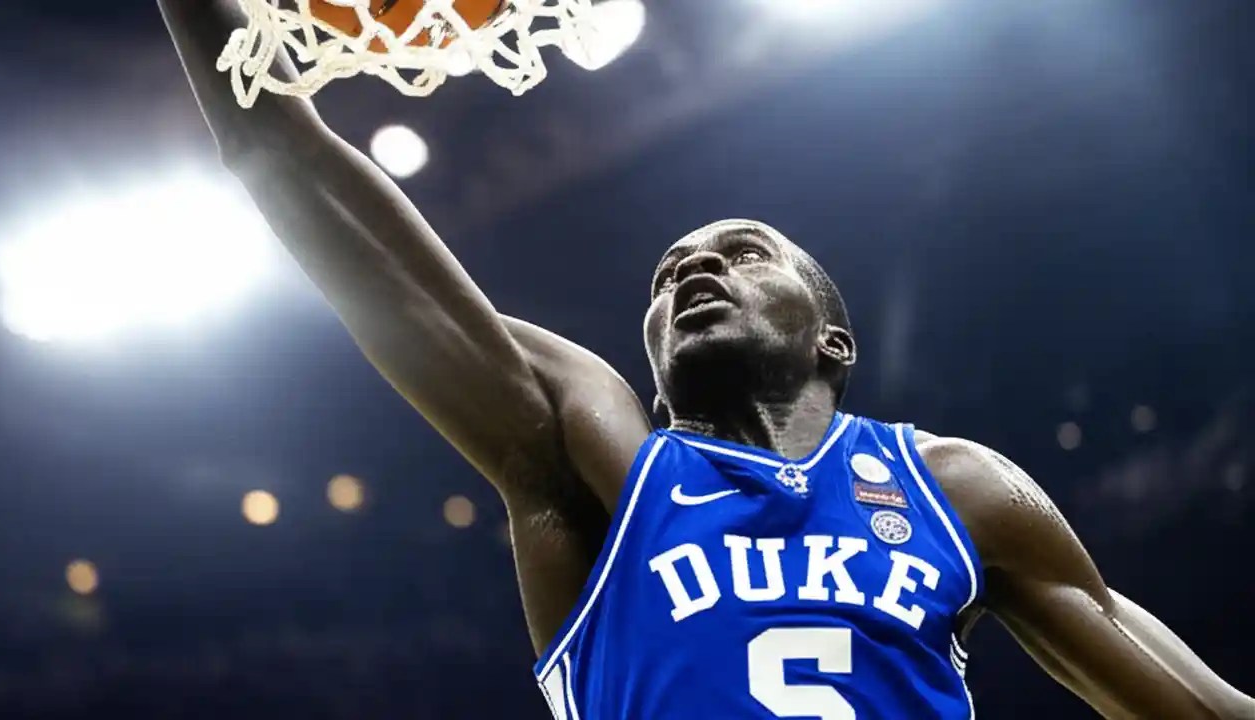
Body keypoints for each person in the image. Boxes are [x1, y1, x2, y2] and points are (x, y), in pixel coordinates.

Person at [158, 1, 1255, 717]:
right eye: (663, 275)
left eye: (739, 255)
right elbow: (276, 149)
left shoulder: (955, 488)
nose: (688, 273)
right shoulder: (587, 455)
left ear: (833, 339)